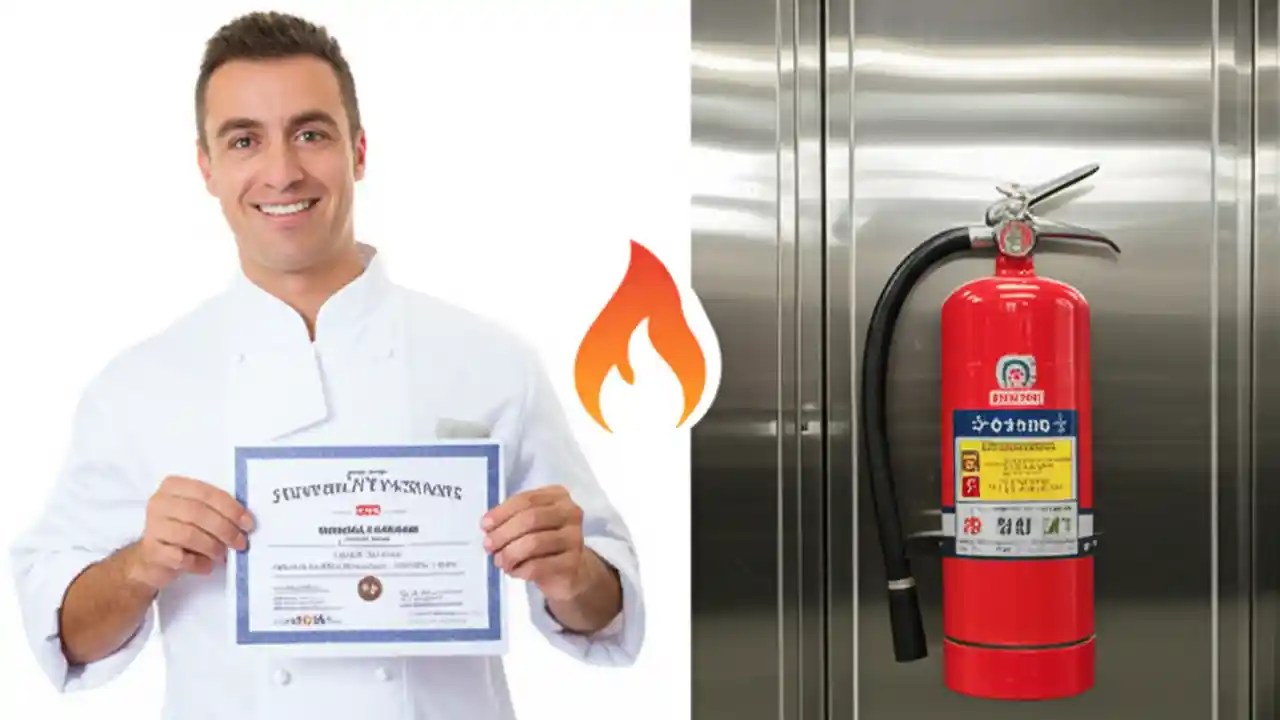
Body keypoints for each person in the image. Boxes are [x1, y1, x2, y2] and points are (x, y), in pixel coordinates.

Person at [9, 11, 643, 719]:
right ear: (207, 168)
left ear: (359, 152)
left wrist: (572, 571)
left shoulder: (492, 362)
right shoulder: (136, 387)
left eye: (311, 133)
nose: (282, 171)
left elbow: (607, 613)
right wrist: (139, 566)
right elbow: (64, 635)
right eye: (244, 139)